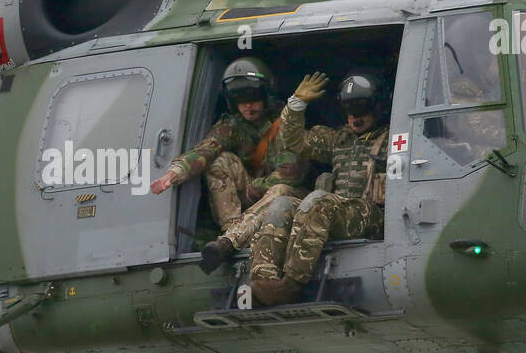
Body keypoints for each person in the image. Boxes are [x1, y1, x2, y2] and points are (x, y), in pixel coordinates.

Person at [248, 71, 390, 306]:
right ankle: (263, 282)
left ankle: (291, 284)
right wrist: (296, 104)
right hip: (336, 213)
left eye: (362, 110)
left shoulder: (392, 137)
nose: (355, 117)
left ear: (378, 108)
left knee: (320, 200)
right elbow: (293, 140)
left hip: (371, 216)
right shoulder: (337, 138)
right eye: (350, 110)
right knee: (281, 204)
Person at [150, 58, 307, 267]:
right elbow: (206, 149)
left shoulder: (288, 123)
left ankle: (231, 241)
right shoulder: (234, 125)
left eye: (252, 98)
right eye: (239, 100)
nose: (247, 106)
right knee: (220, 161)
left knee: (280, 190)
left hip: (290, 196)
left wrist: (255, 189)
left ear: (266, 95)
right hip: (255, 194)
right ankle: (235, 233)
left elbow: (292, 174)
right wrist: (174, 173)